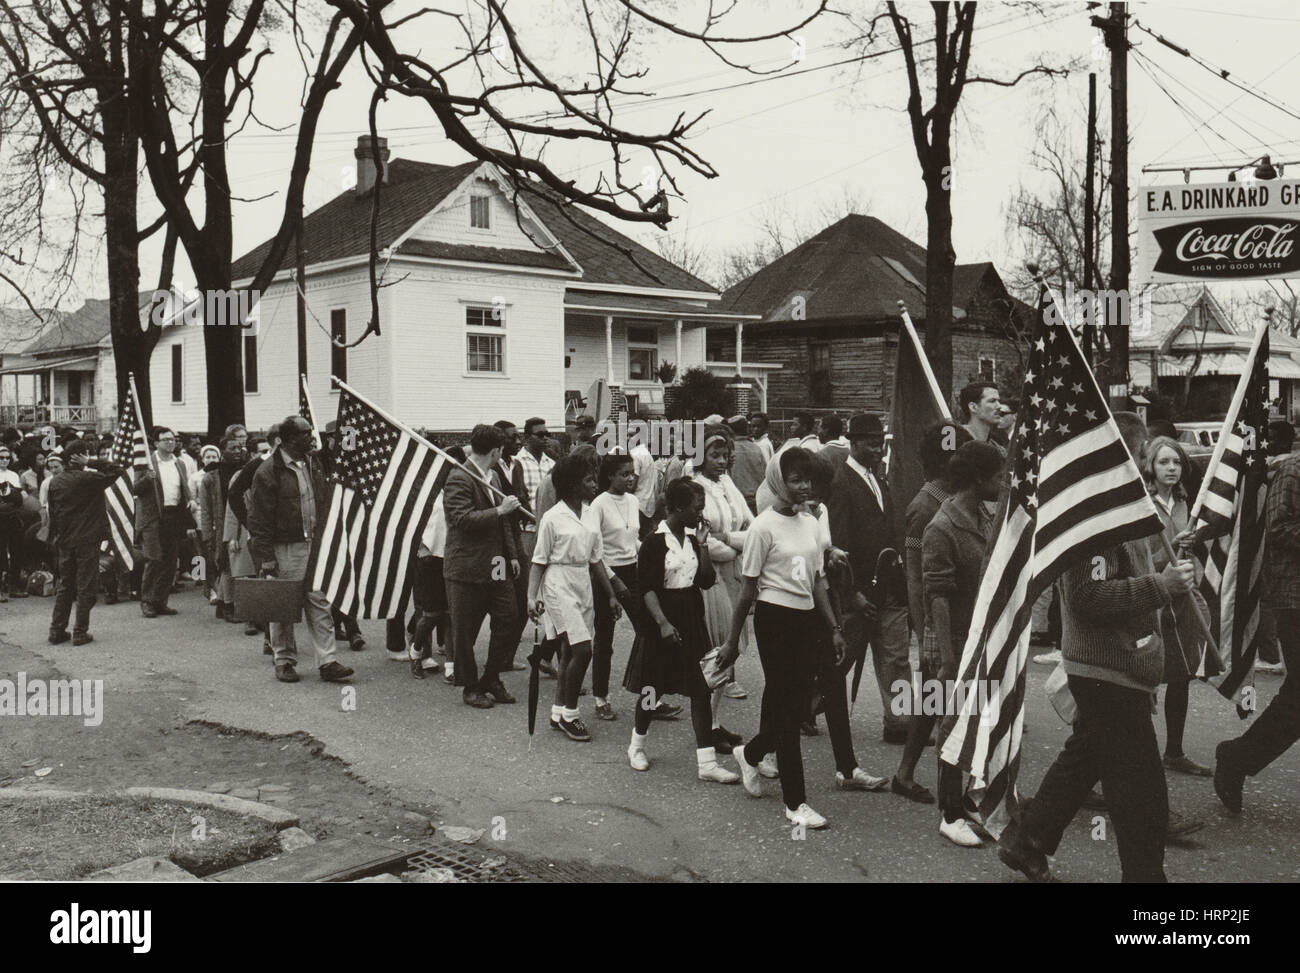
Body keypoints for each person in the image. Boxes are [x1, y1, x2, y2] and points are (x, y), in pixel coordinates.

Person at [1000, 413, 1193, 883]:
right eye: (1141, 449)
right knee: (1141, 791)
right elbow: (1087, 598)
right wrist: (1160, 586)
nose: (1147, 460)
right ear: (1118, 456)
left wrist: (1171, 568)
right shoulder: (1096, 518)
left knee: (1087, 755)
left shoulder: (1119, 509)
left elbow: (1130, 573)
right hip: (1107, 669)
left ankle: (1029, 837)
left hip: (1116, 663)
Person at [720, 448, 847, 830]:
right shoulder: (762, 527)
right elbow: (747, 590)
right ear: (778, 481)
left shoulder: (810, 523)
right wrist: (731, 642)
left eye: (806, 478)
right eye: (795, 479)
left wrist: (834, 628)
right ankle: (796, 804)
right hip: (775, 620)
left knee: (793, 707)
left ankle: (752, 751)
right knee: (791, 712)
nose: (803, 485)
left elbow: (818, 581)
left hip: (807, 620)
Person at [624, 477, 738, 783]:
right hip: (663, 617)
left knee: (701, 689)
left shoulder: (690, 538)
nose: (701, 514)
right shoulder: (654, 541)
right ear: (676, 507)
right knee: (652, 688)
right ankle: (637, 745)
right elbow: (646, 588)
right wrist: (662, 623)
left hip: (690, 615)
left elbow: (705, 580)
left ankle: (707, 763)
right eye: (696, 508)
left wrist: (701, 545)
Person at [919, 441, 1003, 846]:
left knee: (978, 721)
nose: (1003, 484)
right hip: (951, 642)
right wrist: (947, 663)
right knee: (950, 726)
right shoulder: (942, 527)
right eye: (999, 477)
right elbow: (936, 595)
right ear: (979, 479)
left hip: (976, 636)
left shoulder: (983, 518)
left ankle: (967, 800)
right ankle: (948, 813)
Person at [1214, 420, 1300, 813]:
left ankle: (1238, 757)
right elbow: (1279, 527)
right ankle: (1237, 757)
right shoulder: (1293, 471)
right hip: (1294, 599)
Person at [894, 420, 971, 799]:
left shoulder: (958, 501)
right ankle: (936, 785)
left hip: (958, 613)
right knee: (938, 698)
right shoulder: (925, 507)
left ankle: (905, 773)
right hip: (936, 619)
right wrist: (924, 635)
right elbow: (913, 577)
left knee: (931, 700)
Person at [248, 415, 354, 684]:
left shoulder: (313, 462)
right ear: (288, 439)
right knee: (283, 605)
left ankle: (327, 660)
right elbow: (258, 519)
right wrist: (267, 559)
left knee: (319, 601)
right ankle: (283, 660)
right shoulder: (269, 471)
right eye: (305, 434)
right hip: (285, 546)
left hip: (314, 544)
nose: (312, 437)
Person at [826, 413, 910, 744]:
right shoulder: (840, 483)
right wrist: (852, 594)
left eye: (881, 443)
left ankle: (900, 721)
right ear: (854, 442)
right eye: (871, 443)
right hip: (858, 591)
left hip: (888, 585)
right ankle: (805, 706)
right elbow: (838, 546)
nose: (878, 449)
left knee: (896, 657)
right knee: (841, 658)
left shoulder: (879, 479)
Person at [528, 450, 621, 741]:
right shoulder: (552, 518)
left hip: (583, 582)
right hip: (557, 583)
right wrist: (531, 597)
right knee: (583, 650)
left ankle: (557, 711)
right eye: (590, 480)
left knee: (570, 650)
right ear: (571, 484)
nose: (596, 485)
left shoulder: (592, 513)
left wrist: (611, 595)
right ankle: (571, 714)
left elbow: (596, 560)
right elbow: (539, 561)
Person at [1143, 436, 1214, 777]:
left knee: (1181, 675)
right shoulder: (1142, 505)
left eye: (1176, 463)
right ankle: (1134, 755)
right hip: (1151, 600)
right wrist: (1169, 546)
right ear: (1150, 466)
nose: (1171, 469)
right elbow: (1140, 563)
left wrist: (1195, 542)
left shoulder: (1188, 503)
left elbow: (1193, 558)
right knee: (1144, 678)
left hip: (1182, 601)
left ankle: (1174, 750)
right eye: (1163, 462)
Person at [443, 423, 521, 709]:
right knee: (465, 631)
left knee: (509, 618)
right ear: (496, 451)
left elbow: (504, 525)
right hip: (466, 567)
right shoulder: (458, 478)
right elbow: (461, 519)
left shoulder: (494, 478)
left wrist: (512, 554)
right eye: (503, 449)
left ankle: (491, 677)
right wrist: (500, 509)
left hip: (497, 565)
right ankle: (470, 686)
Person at [692, 425, 754, 738]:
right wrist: (733, 546)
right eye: (714, 455)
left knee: (731, 645)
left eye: (724, 454)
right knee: (716, 648)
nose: (721, 460)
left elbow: (752, 526)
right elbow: (700, 536)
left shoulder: (728, 483)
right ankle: (709, 724)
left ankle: (713, 720)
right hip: (710, 578)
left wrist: (730, 539)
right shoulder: (694, 486)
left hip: (734, 574)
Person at [46, 440, 124, 645]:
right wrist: (92, 461)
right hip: (87, 539)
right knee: (85, 586)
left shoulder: (55, 482)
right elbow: (117, 470)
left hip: (65, 540)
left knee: (65, 585)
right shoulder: (89, 478)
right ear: (80, 457)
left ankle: (56, 630)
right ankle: (80, 631)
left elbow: (53, 514)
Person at [591, 452, 644, 721]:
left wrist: (649, 555)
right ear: (610, 475)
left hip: (633, 571)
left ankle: (649, 698)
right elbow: (595, 550)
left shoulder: (633, 501)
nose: (630, 478)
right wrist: (614, 581)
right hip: (606, 576)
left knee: (647, 632)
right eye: (624, 474)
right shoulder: (598, 504)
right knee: (604, 639)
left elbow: (631, 539)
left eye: (632, 473)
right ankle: (601, 697)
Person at [135, 427, 189, 617]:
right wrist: (146, 480)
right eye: (165, 439)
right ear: (156, 443)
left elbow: (183, 488)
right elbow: (135, 489)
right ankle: (147, 601)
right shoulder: (147, 463)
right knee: (154, 559)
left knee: (170, 561)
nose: (170, 442)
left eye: (172, 439)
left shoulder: (179, 463)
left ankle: (160, 600)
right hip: (153, 517)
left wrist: (188, 501)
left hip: (174, 515)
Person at [493, 418, 531, 672]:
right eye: (511, 437)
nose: (517, 441)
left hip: (517, 535)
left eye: (518, 436)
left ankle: (506, 657)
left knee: (522, 602)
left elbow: (522, 496)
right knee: (497, 607)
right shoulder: (490, 468)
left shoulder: (515, 465)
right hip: (496, 542)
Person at [726, 415, 767, 512]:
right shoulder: (756, 448)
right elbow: (765, 476)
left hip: (739, 502)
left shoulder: (729, 450)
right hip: (758, 500)